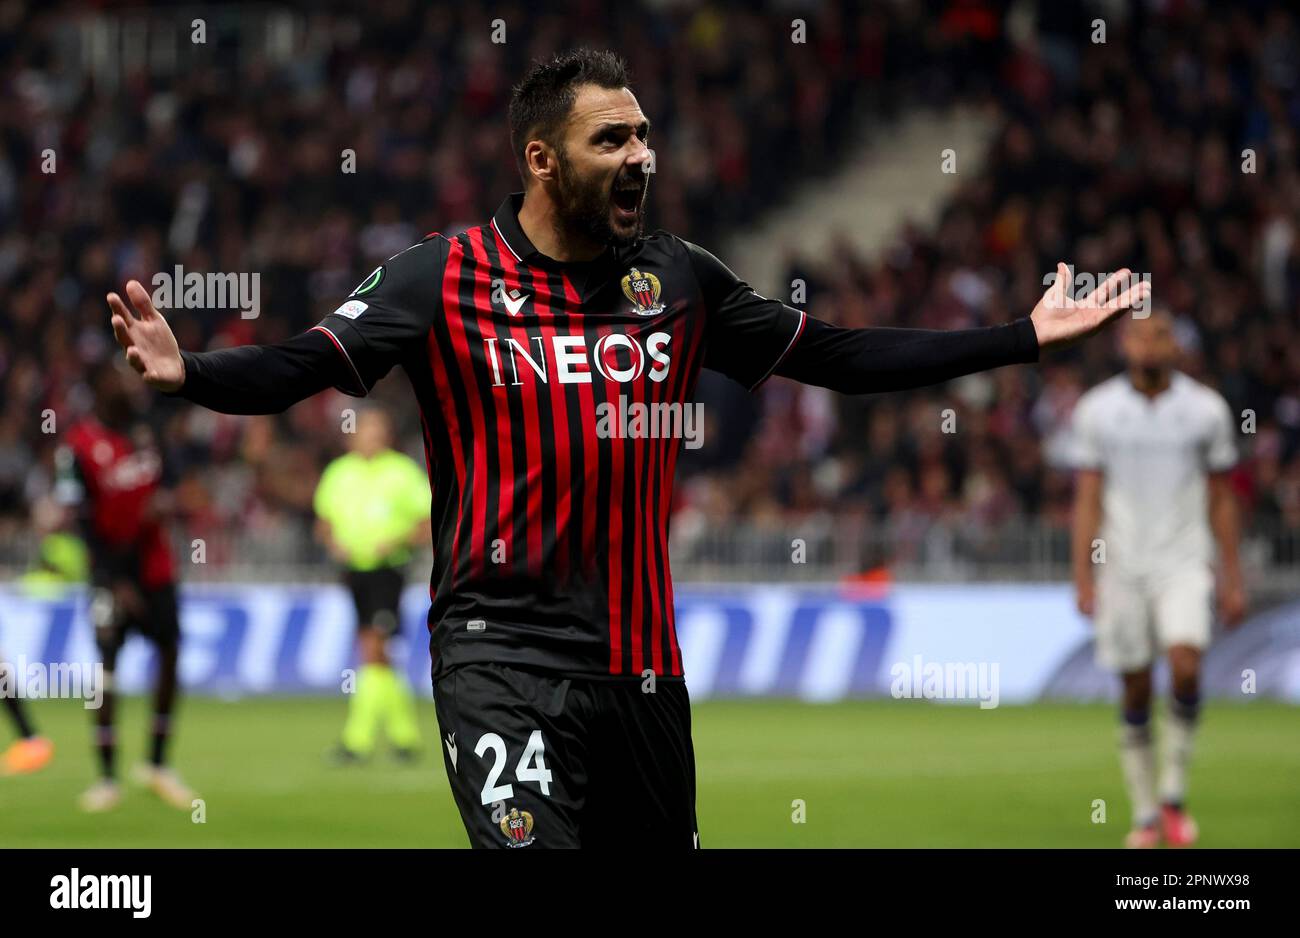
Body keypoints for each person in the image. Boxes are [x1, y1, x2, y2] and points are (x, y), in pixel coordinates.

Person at [107, 49, 1148, 848]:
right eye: (611, 139)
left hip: (644, 668)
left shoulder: (679, 280)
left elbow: (837, 353)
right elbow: (302, 361)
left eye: (644, 136)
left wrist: (1023, 337)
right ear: (541, 157)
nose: (640, 156)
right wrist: (188, 370)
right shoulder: (439, 279)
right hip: (498, 651)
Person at [1070, 309, 1245, 848]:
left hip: (1185, 560)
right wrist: (1082, 573)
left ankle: (1171, 794)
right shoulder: (1098, 410)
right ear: (1124, 343)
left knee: (1187, 665)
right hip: (1121, 565)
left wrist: (1232, 574)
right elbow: (1088, 497)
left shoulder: (1205, 410)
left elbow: (1221, 495)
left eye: (1161, 335)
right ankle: (1145, 814)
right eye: (1141, 334)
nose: (1150, 344)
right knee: (1135, 685)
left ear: (1175, 345)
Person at [55, 359, 196, 812]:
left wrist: (168, 502)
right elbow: (80, 523)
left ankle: (156, 764)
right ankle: (107, 777)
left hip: (155, 569)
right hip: (110, 575)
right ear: (99, 389)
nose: (129, 387)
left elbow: (174, 484)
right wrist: (112, 580)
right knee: (107, 674)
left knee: (171, 652)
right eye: (117, 378)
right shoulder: (77, 447)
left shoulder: (149, 431)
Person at [314, 406, 431, 762]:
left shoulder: (401, 471)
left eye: (377, 429)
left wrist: (397, 541)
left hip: (387, 571)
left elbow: (428, 522)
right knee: (377, 653)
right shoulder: (339, 472)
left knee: (372, 646)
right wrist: (334, 543)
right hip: (354, 572)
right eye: (366, 429)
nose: (371, 436)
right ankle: (405, 737)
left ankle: (356, 741)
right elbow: (324, 523)